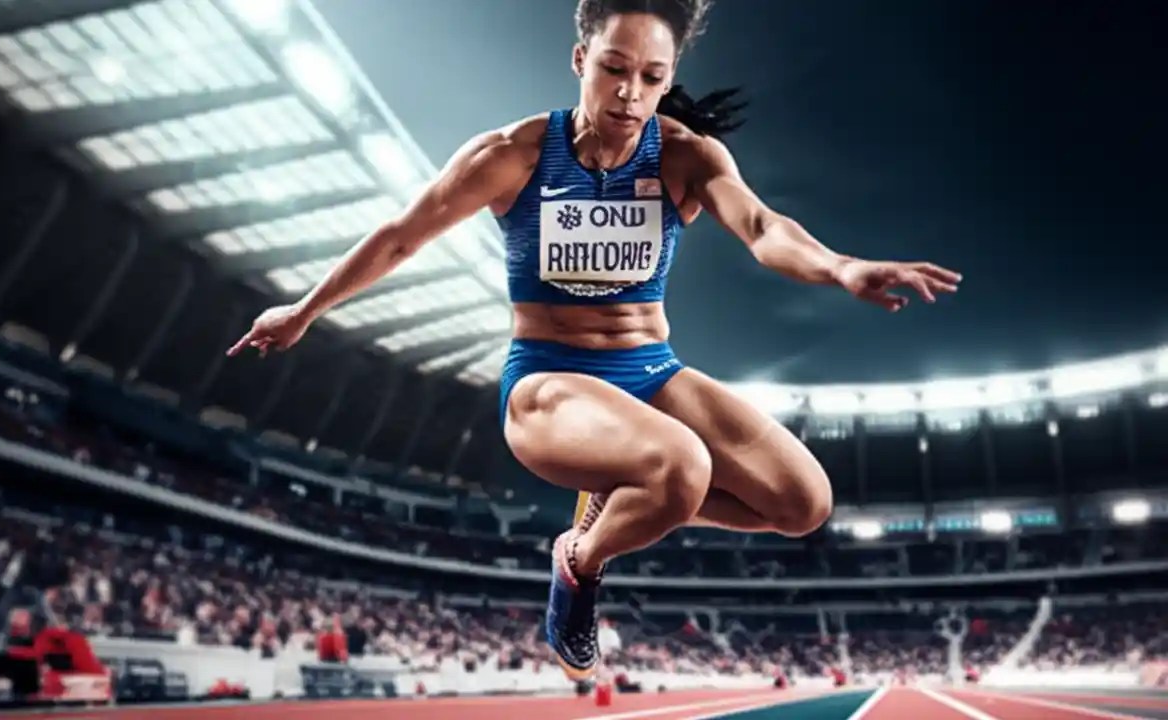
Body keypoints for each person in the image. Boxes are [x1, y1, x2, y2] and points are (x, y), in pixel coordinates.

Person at [227, 0, 961, 681]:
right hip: (549, 382)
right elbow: (398, 239)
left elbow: (763, 228)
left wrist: (842, 267)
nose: (630, 95)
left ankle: (613, 497)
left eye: (652, 77)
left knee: (804, 503)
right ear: (579, 59)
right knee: (681, 465)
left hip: (651, 370)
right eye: (614, 69)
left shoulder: (685, 156)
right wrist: (305, 308)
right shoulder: (511, 154)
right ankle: (580, 559)